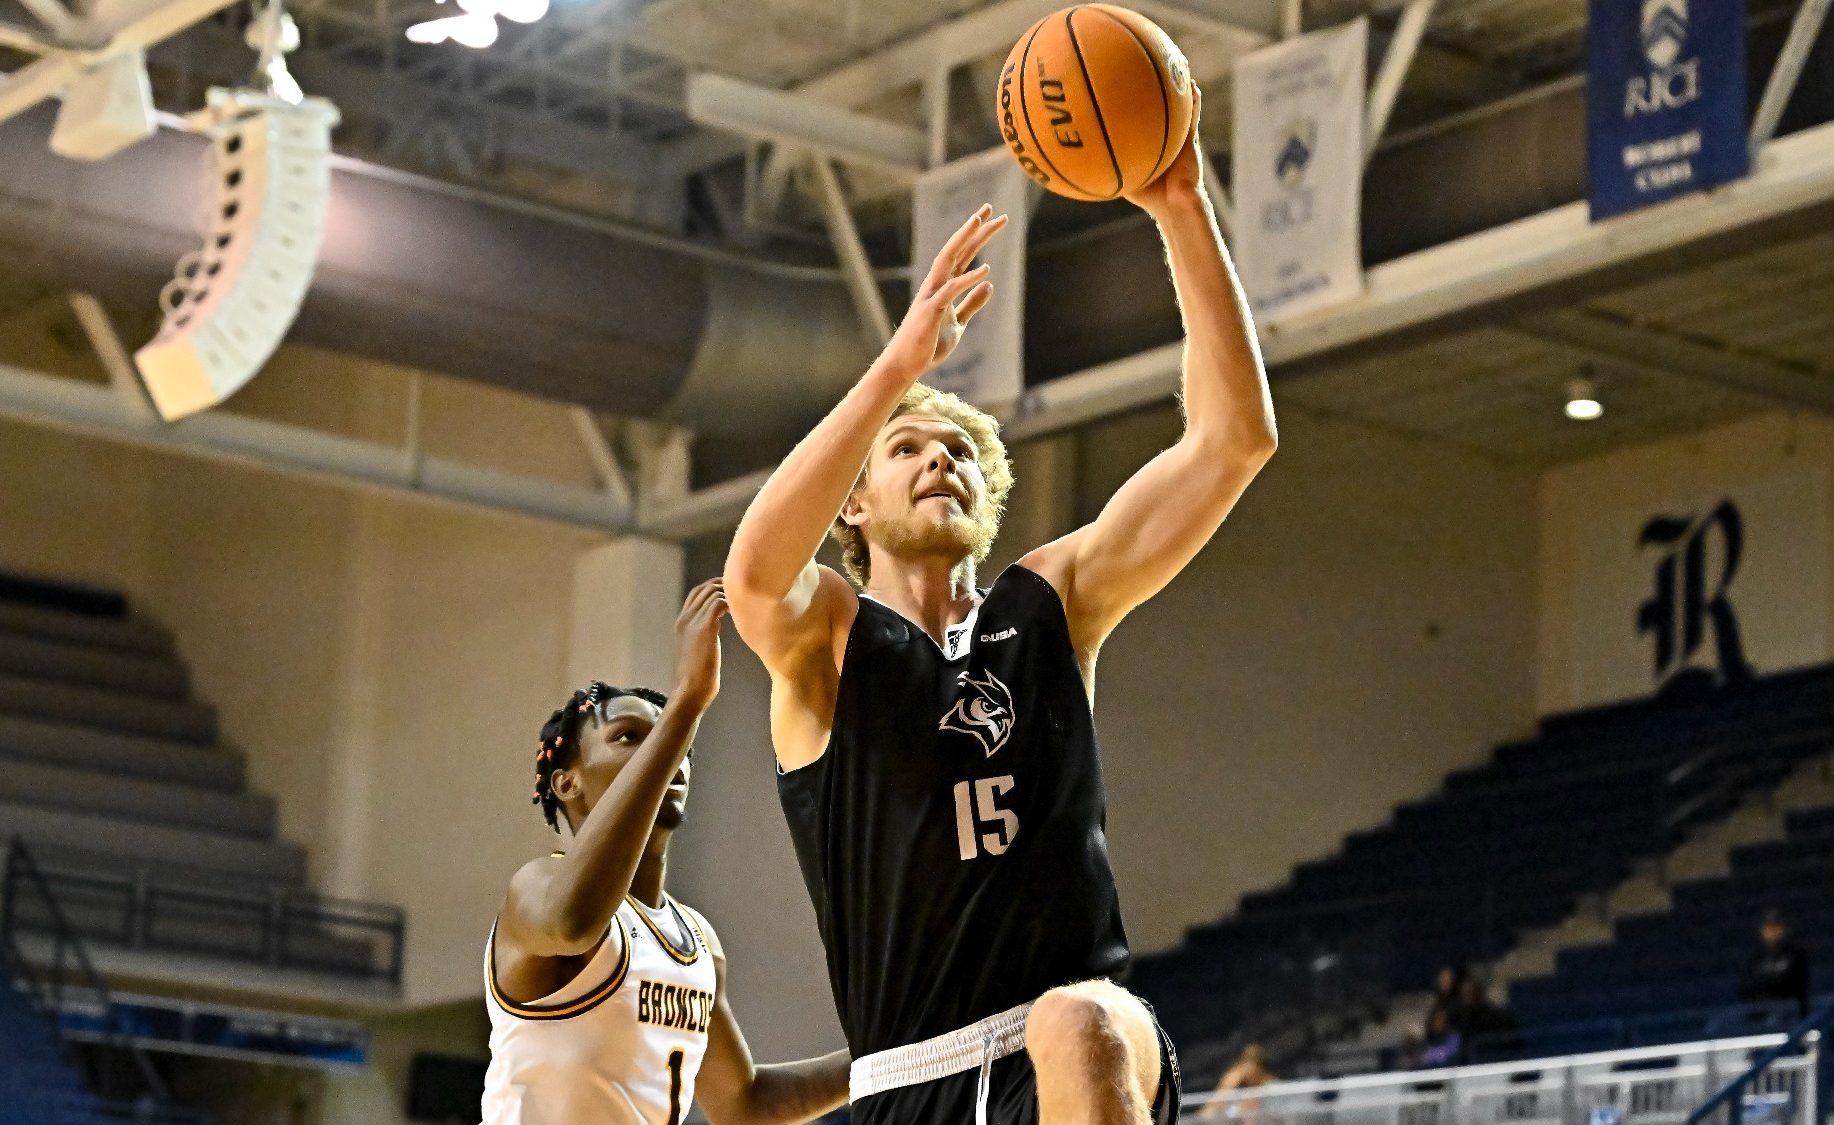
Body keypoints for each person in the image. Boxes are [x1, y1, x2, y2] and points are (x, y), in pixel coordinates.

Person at [725, 87, 1276, 1125]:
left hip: (1064, 1049)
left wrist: (1181, 205)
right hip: (904, 1082)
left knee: (1078, 1020)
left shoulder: (1052, 600)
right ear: (853, 501)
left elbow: (1230, 442)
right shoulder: (830, 641)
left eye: (965, 451)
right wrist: (897, 368)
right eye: (908, 447)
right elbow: (752, 573)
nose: (942, 454)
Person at [483, 579, 851, 1125]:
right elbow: (574, 922)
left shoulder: (699, 941)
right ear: (567, 783)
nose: (667, 752)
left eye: (673, 742)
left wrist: (895, 1053)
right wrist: (686, 702)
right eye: (630, 736)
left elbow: (745, 1105)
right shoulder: (535, 890)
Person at [1739, 909, 1810, 1017]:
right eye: (1768, 928)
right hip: (1759, 1013)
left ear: (1783, 929)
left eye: (1775, 927)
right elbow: (1748, 987)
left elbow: (1798, 985)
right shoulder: (1754, 958)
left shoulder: (1795, 954)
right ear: (1762, 931)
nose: (1772, 932)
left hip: (1789, 1013)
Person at [1201, 1045, 1276, 1120]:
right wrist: (1226, 1087)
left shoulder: (1269, 1085)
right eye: (1246, 1064)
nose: (1249, 1070)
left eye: (1254, 1064)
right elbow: (1206, 1115)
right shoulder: (1233, 1085)